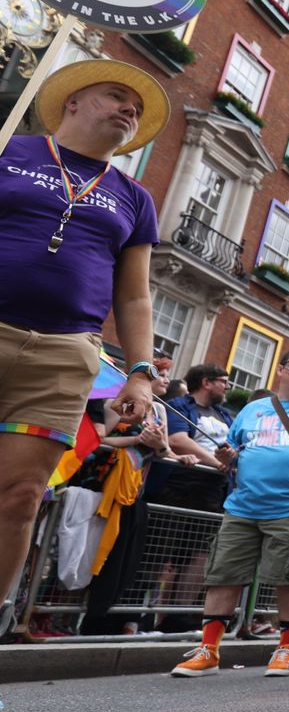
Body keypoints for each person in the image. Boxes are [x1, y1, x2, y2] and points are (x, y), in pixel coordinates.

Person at [0, 60, 169, 610]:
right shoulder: (10, 151)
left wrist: (141, 375)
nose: (129, 109)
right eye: (117, 96)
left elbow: (135, 296)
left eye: (136, 108)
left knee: (22, 498)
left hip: (63, 354)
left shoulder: (134, 197)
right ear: (71, 101)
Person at [169, 348, 289, 678]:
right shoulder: (252, 410)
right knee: (222, 575)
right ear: (281, 370)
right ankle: (209, 649)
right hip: (242, 506)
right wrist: (228, 457)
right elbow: (235, 453)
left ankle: (287, 648)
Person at [167, 364, 235, 469]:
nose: (228, 387)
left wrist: (232, 455)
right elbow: (177, 441)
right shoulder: (179, 406)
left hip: (221, 482)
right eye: (224, 382)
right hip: (186, 478)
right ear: (206, 383)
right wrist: (218, 464)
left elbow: (237, 445)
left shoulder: (224, 414)